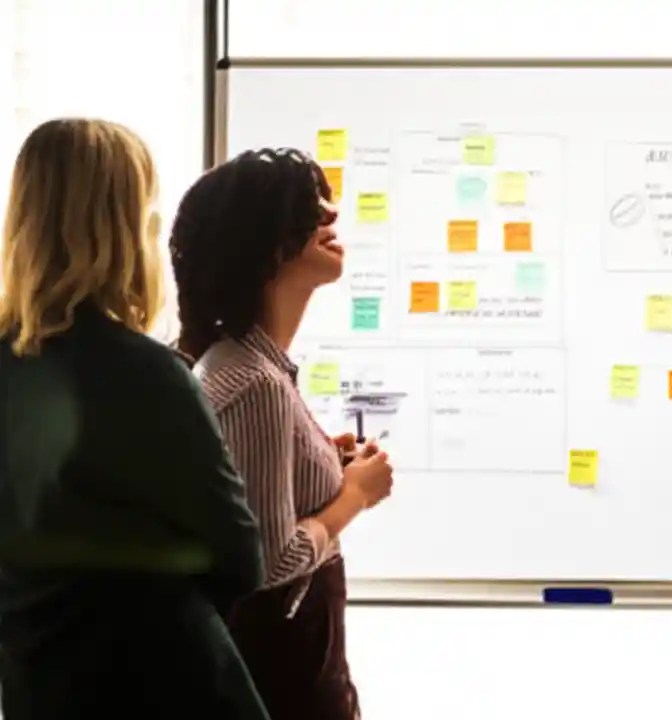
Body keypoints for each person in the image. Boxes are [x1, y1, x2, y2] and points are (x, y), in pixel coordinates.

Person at [0, 119, 268, 719]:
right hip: (168, 683)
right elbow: (241, 556)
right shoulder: (145, 373)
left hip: (38, 688)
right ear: (126, 227)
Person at [170, 147, 394, 720]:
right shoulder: (255, 381)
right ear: (262, 245)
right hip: (287, 684)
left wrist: (324, 465)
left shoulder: (245, 365)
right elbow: (271, 561)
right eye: (308, 207)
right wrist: (355, 495)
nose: (332, 215)